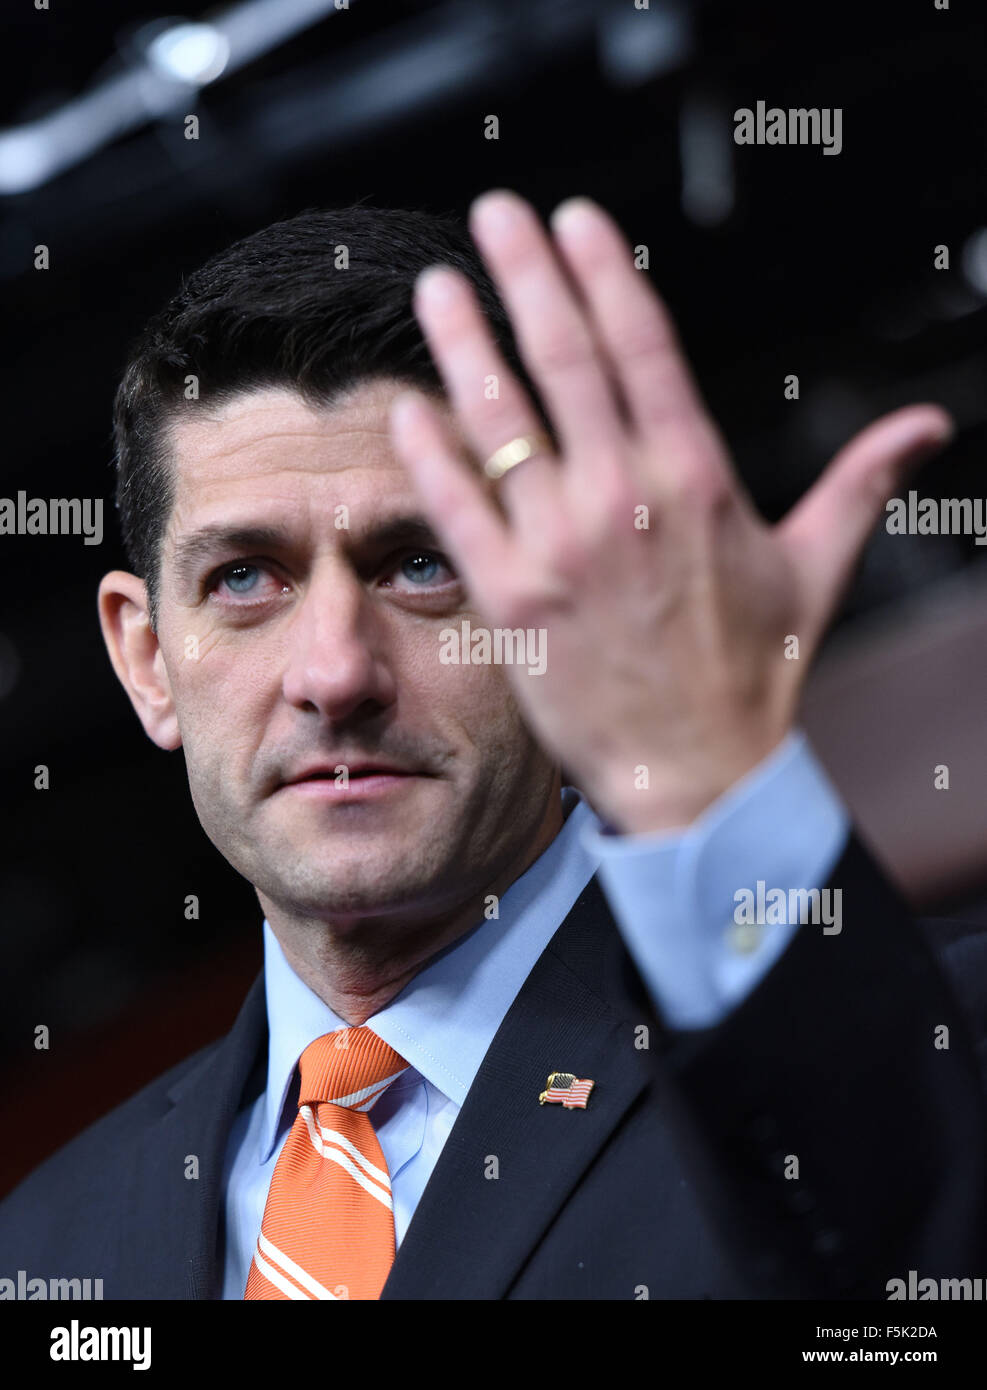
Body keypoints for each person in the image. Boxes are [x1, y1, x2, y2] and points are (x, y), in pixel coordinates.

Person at [1, 192, 985, 1301]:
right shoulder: (43, 1250)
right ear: (146, 659)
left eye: (421, 562)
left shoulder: (939, 1046)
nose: (335, 673)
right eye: (244, 580)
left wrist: (715, 794)